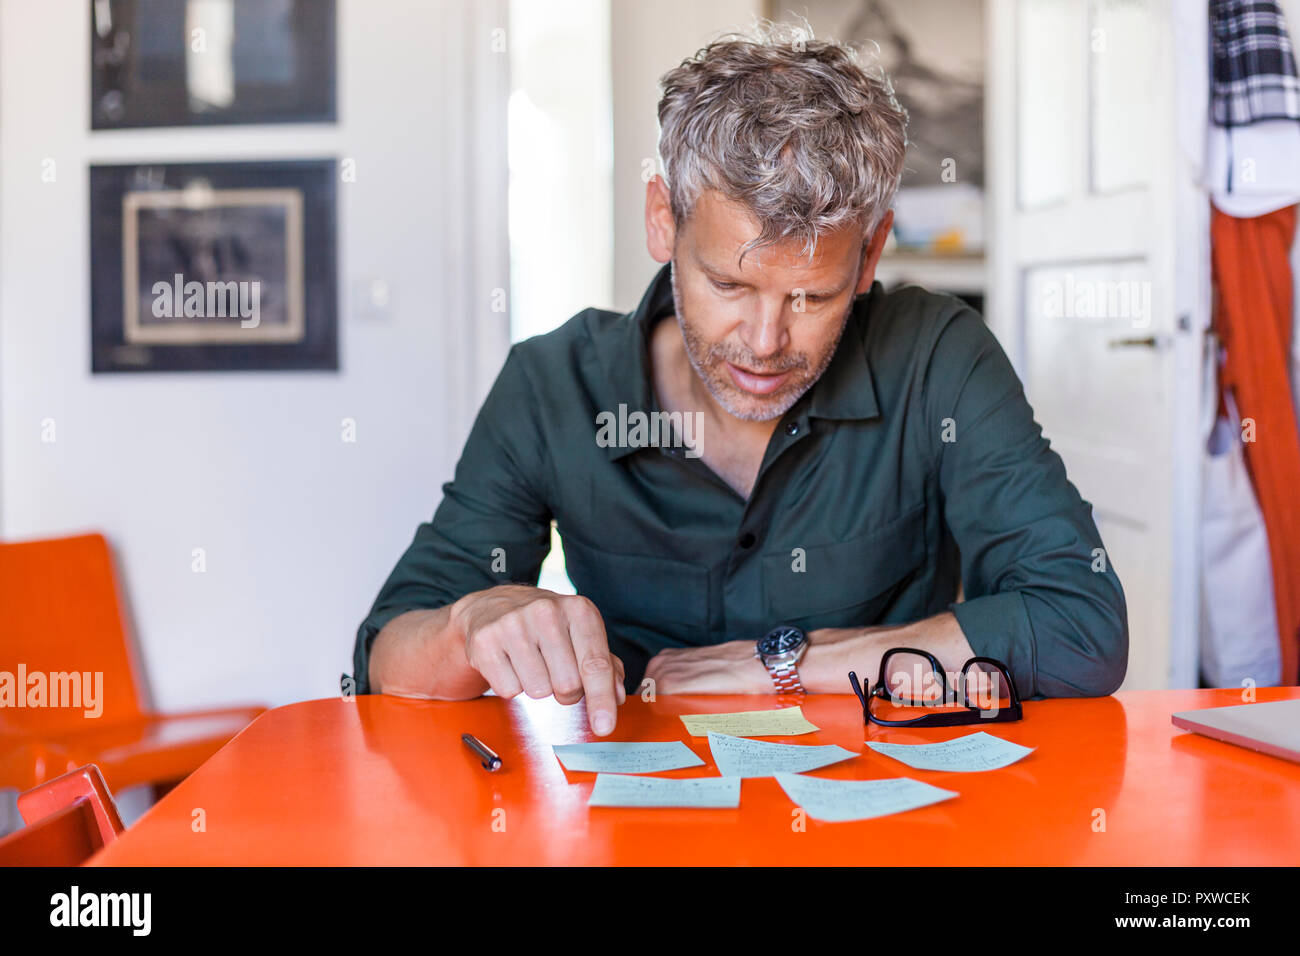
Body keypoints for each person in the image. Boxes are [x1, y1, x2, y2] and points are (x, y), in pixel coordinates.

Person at [351, 22, 1128, 736]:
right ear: (663, 219)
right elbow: (385, 660)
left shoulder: (938, 358)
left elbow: (1081, 626)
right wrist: (469, 623)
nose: (765, 343)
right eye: (728, 284)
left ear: (872, 251)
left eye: (811, 297)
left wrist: (781, 664)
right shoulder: (552, 384)